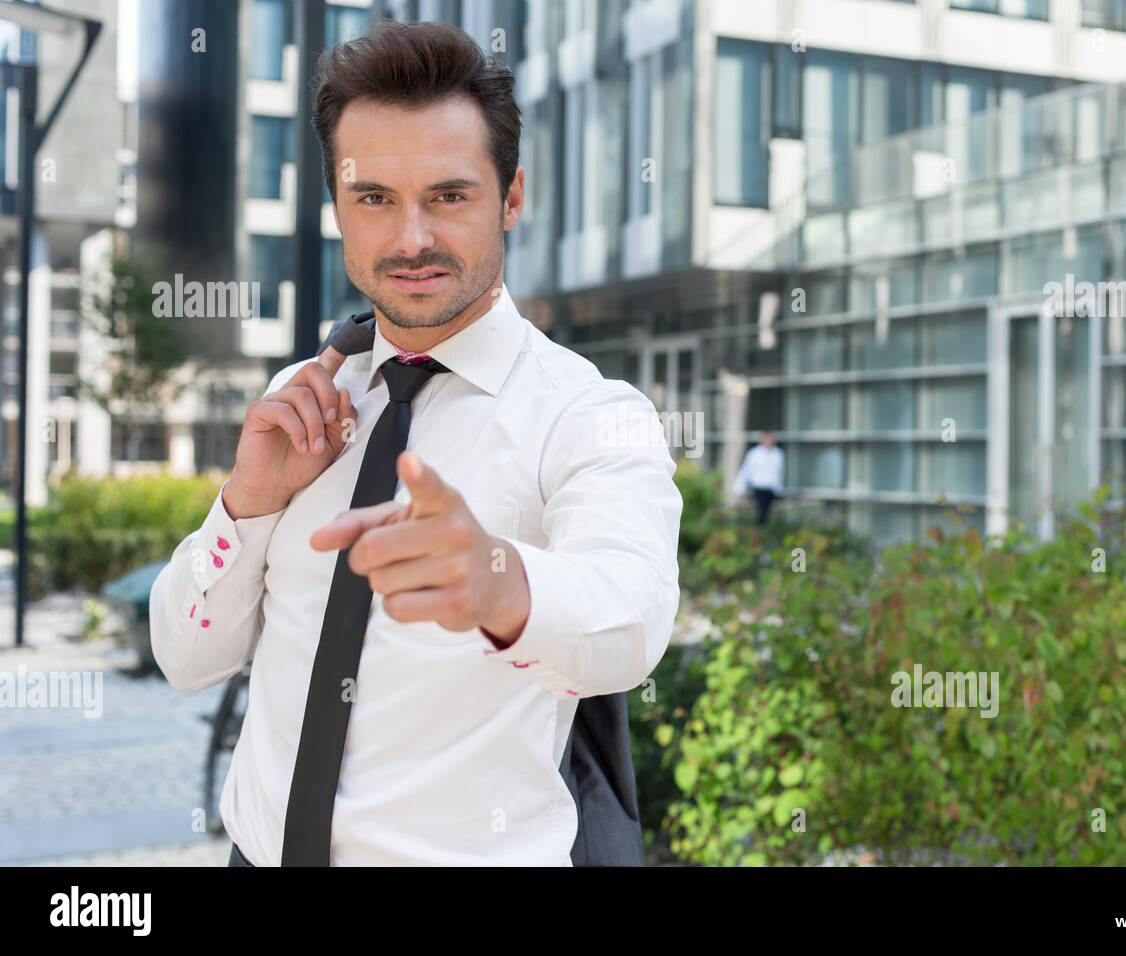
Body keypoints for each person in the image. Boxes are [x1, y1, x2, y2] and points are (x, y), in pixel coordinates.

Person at [148, 20, 682, 866]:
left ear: (511, 197)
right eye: (374, 199)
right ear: (336, 208)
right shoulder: (307, 402)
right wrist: (246, 505)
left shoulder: (589, 412)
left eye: (449, 195)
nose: (410, 239)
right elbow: (184, 656)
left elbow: (631, 623)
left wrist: (495, 577)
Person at [732, 431, 784, 525]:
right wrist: (739, 491)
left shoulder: (778, 454)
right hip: (759, 489)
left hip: (771, 490)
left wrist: (778, 491)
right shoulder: (754, 454)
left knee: (768, 515)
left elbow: (779, 474)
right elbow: (745, 472)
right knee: (760, 514)